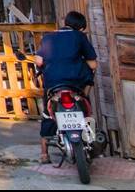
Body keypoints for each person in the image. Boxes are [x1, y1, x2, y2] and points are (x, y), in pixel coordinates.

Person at [30, 11, 99, 164]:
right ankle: (89, 132)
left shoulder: (48, 37)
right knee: (85, 101)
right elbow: (93, 64)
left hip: (53, 83)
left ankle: (44, 154)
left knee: (48, 114)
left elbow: (39, 61)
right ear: (81, 28)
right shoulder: (79, 37)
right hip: (76, 83)